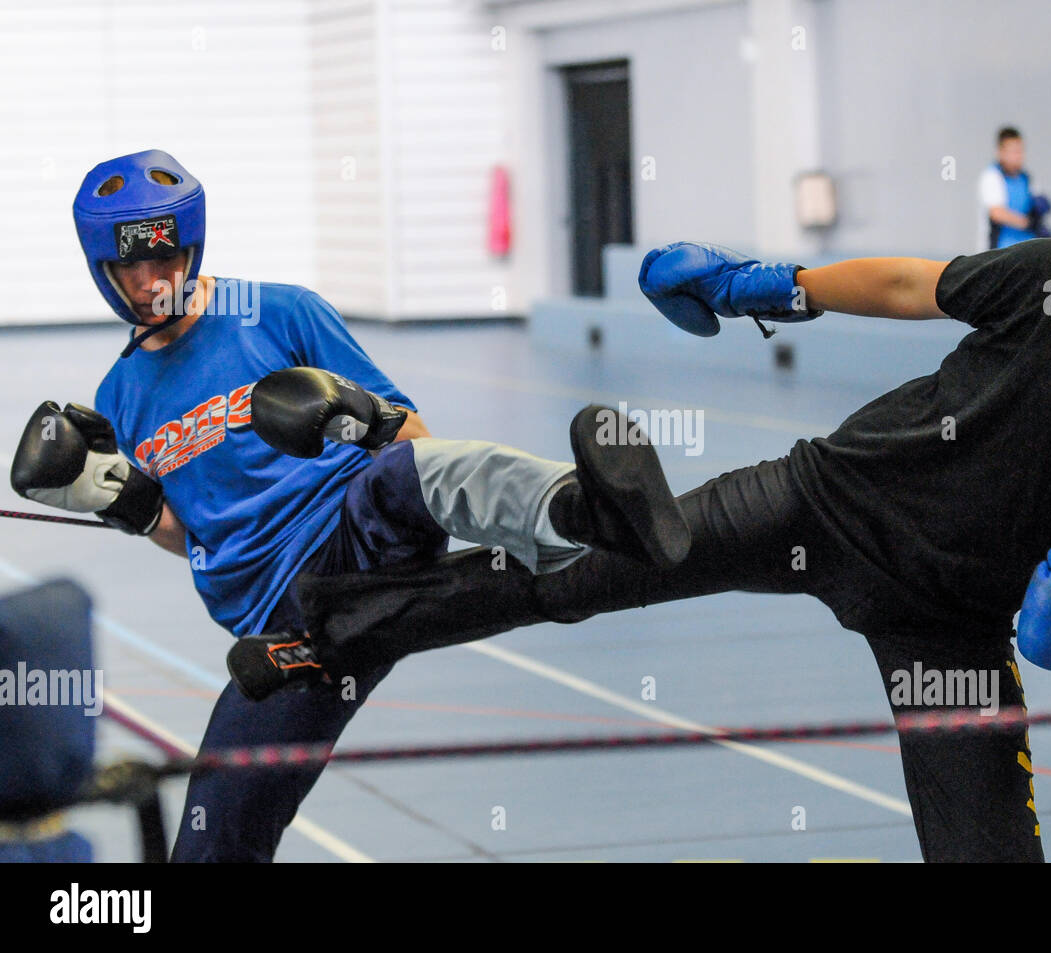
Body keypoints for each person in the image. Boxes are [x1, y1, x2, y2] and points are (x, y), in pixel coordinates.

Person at [236, 169, 1051, 862]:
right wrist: (765, 284)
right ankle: (318, 631)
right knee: (572, 576)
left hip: (951, 622)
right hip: (822, 498)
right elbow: (911, 283)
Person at [8, 149, 689, 862]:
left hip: (355, 531)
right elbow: (190, 533)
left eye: (164, 261)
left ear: (190, 246)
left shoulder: (281, 312)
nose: (150, 283)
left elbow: (415, 437)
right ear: (102, 270)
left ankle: (579, 508)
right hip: (286, 632)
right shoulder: (121, 395)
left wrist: (361, 417)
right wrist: (134, 507)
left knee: (408, 471)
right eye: (129, 271)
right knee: (214, 830)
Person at [978, 126, 1051, 250]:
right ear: (1000, 152)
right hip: (998, 252)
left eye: (1020, 151)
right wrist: (1028, 223)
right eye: (1013, 152)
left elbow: (1039, 201)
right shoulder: (992, 177)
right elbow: (997, 213)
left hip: (1025, 249)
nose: (1018, 156)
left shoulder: (1026, 178)